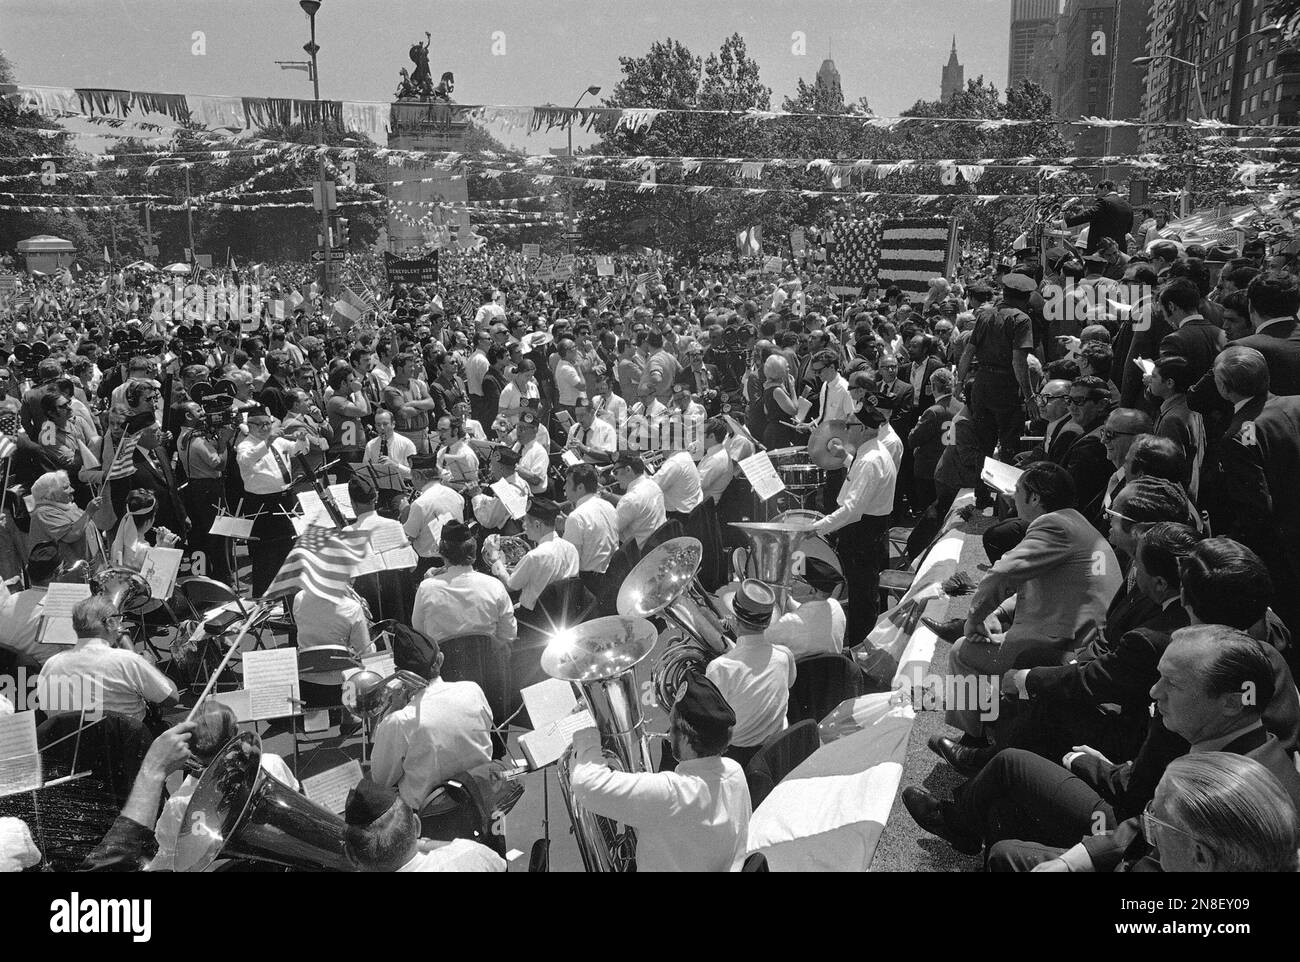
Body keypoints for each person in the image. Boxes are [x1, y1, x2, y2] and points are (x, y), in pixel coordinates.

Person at [945, 462, 1121, 742]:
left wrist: (975, 618)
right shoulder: (1075, 522)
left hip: (1067, 644)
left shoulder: (1054, 525)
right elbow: (1042, 585)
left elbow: (1003, 571)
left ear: (1035, 498)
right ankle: (989, 727)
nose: (1009, 497)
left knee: (961, 652)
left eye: (1016, 490)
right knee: (985, 641)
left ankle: (975, 739)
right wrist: (999, 611)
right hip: (1082, 632)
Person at [570, 672, 752, 872]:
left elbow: (586, 785)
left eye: (673, 723)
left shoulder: (671, 793)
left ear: (685, 739)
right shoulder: (734, 771)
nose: (668, 731)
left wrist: (587, 732)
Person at [1211, 345, 1300, 649]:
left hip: (1285, 553)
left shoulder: (1238, 435)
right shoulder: (1296, 404)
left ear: (1224, 388)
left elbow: (1256, 508)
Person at [147, 701, 298, 872]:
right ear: (236, 733)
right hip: (279, 862)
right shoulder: (272, 763)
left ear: (192, 750)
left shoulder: (179, 804)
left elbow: (167, 856)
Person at [368, 636, 495, 813]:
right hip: (481, 794)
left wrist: (393, 710)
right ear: (440, 660)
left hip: (431, 814)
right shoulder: (472, 689)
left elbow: (381, 780)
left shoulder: (399, 720)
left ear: (399, 673)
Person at [810, 400, 898, 647]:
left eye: (849, 425)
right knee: (867, 592)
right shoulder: (873, 452)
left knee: (862, 595)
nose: (845, 430)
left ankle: (861, 648)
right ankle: (865, 642)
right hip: (873, 530)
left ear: (863, 428)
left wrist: (817, 529)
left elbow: (851, 510)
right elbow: (861, 473)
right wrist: (846, 458)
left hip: (862, 534)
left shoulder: (869, 461)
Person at [35, 595, 178, 725]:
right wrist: (150, 666)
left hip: (71, 747)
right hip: (127, 743)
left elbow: (49, 711)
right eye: (118, 619)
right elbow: (172, 698)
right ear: (110, 623)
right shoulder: (128, 662)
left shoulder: (51, 664)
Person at [704, 579, 795, 766]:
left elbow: (710, 721)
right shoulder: (785, 656)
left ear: (735, 620)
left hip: (737, 757)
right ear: (768, 621)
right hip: (777, 749)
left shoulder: (720, 668)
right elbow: (790, 683)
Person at [342, 779, 505, 872]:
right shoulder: (474, 853)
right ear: (417, 826)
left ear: (351, 857)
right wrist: (424, 844)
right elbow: (500, 864)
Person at [235, 404, 308, 595]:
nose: (266, 428)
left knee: (288, 550)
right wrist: (267, 443)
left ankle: (288, 599)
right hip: (262, 505)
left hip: (285, 499)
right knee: (265, 556)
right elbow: (246, 460)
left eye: (268, 424)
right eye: (260, 425)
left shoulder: (278, 441)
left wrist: (302, 439)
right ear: (249, 426)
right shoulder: (245, 445)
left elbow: (297, 450)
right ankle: (262, 600)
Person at [412, 521, 516, 647]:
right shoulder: (495, 586)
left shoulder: (426, 588)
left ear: (442, 552)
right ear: (473, 550)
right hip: (489, 663)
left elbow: (420, 632)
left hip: (445, 665)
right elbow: (509, 634)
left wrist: (429, 584)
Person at [483, 497, 579, 611]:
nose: (524, 526)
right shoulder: (571, 548)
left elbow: (510, 586)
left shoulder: (534, 556)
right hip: (563, 612)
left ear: (538, 525)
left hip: (534, 617)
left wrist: (495, 557)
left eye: (526, 522)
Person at [763, 557, 845, 659]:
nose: (790, 583)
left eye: (796, 580)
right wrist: (788, 600)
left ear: (812, 590)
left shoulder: (789, 623)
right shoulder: (836, 607)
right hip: (833, 672)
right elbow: (811, 616)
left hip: (799, 674)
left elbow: (760, 638)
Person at [0, 543, 62, 669]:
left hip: (8, 674)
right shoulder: (60, 609)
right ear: (57, 573)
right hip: (45, 677)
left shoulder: (10, 600)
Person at [561, 463, 619, 594]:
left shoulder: (576, 517)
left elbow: (569, 563)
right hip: (612, 575)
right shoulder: (608, 506)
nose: (564, 487)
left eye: (568, 483)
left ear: (580, 487)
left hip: (590, 583)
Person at [27, 470, 102, 567]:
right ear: (51, 494)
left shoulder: (66, 506)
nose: (72, 490)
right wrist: (89, 512)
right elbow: (70, 535)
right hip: (66, 575)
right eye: (66, 488)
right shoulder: (44, 512)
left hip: (87, 568)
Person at [402, 453, 465, 568]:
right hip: (457, 557)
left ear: (417, 476)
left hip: (429, 562)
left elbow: (408, 537)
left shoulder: (420, 504)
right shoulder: (456, 495)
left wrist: (405, 511)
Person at [609, 449, 667, 549]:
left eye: (615, 472)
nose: (615, 477)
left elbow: (611, 530)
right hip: (656, 542)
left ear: (628, 469)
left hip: (636, 551)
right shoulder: (653, 485)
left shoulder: (630, 499)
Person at [1060, 179, 1134, 253]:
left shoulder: (1104, 202)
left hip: (1101, 251)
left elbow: (1088, 215)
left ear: (1105, 188)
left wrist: (1066, 222)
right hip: (1120, 251)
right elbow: (1128, 229)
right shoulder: (1128, 206)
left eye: (1097, 192)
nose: (1096, 195)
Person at [363, 409, 417, 482]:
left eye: (385, 424)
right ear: (375, 426)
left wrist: (395, 466)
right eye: (378, 425)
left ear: (393, 424)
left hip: (403, 486)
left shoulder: (407, 444)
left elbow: (415, 474)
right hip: (379, 486)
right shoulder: (370, 445)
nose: (382, 428)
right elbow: (365, 471)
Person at [653, 444, 703, 520]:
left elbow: (653, 487)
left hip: (678, 516)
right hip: (691, 509)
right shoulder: (685, 454)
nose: (661, 447)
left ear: (672, 444)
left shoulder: (674, 462)